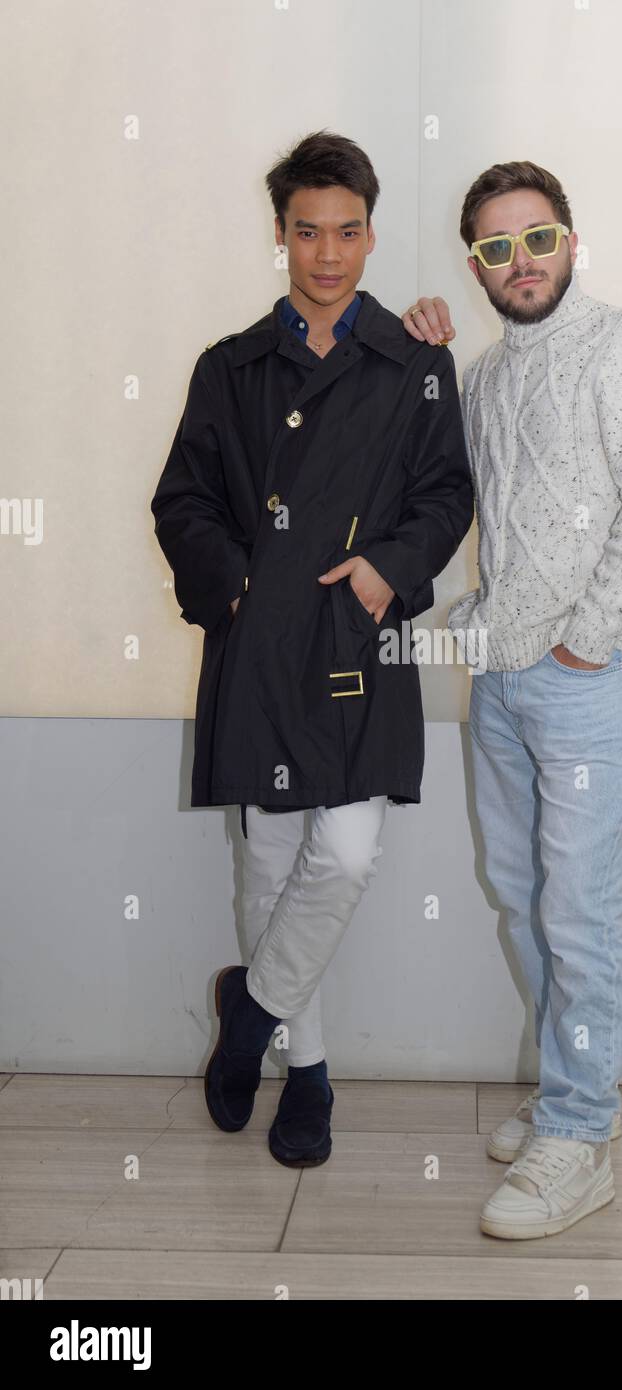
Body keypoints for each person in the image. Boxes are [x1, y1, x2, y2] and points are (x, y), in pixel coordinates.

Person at [150, 130, 473, 1169]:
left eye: (346, 232)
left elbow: (446, 493)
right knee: (272, 861)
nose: (326, 254)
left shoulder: (416, 360)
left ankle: (249, 1015)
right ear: (279, 234)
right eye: (305, 232)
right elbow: (182, 499)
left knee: (345, 852)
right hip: (261, 645)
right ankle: (311, 1068)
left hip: (360, 638)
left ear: (373, 235)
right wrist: (235, 582)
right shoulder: (231, 366)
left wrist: (389, 567)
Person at [402, 160, 622, 1239]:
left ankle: (581, 1135)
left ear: (571, 241)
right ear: (477, 264)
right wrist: (415, 349)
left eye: (536, 239)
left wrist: (585, 637)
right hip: (502, 679)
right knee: (523, 891)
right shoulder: (482, 377)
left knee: (580, 912)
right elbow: (461, 505)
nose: (518, 262)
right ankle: (569, 1100)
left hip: (593, 675)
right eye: (494, 248)